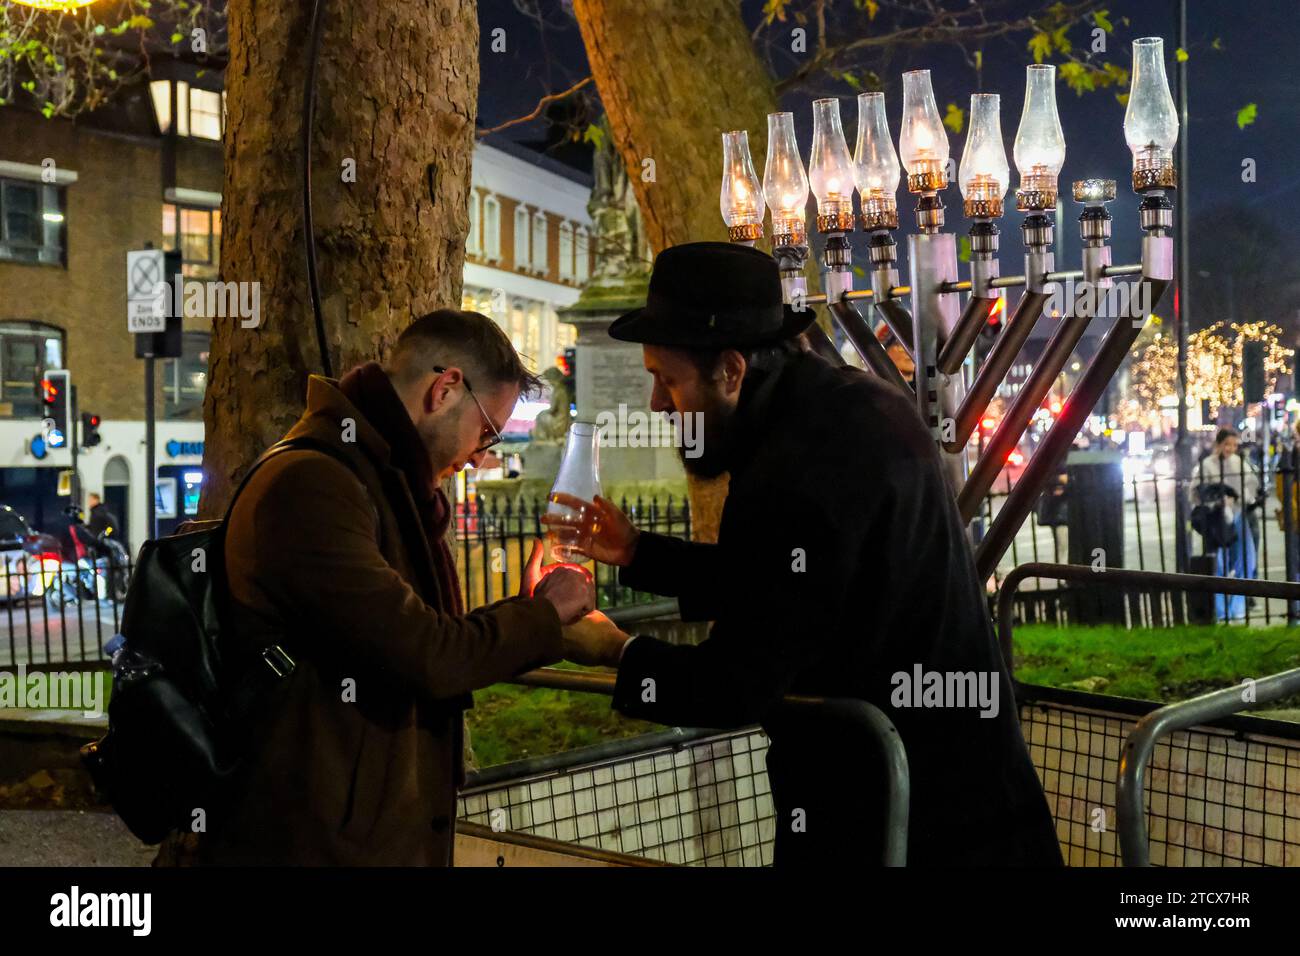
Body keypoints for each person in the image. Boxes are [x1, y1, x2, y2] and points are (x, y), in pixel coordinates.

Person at [545, 242, 1063, 867]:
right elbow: (783, 581)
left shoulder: (800, 464)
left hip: (903, 820)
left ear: (731, 370)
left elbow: (736, 684)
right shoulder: (836, 408)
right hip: (954, 798)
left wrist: (613, 651)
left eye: (666, 379)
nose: (658, 404)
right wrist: (634, 552)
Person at [191, 309, 626, 865]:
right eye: (486, 432)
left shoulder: (385, 483)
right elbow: (425, 654)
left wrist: (529, 615)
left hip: (356, 831)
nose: (479, 458)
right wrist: (541, 615)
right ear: (445, 389)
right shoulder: (313, 485)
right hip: (311, 841)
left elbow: (422, 635)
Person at [1195, 427, 1259, 620]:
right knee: (1218, 564)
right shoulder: (1207, 464)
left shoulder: (1240, 462)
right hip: (1216, 519)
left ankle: (1237, 606)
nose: (1230, 449)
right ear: (1218, 444)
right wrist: (1218, 501)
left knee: (1247, 559)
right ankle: (1221, 610)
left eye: (1234, 445)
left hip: (1238, 514)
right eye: (1227, 444)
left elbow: (1250, 486)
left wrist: (1242, 498)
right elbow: (1197, 493)